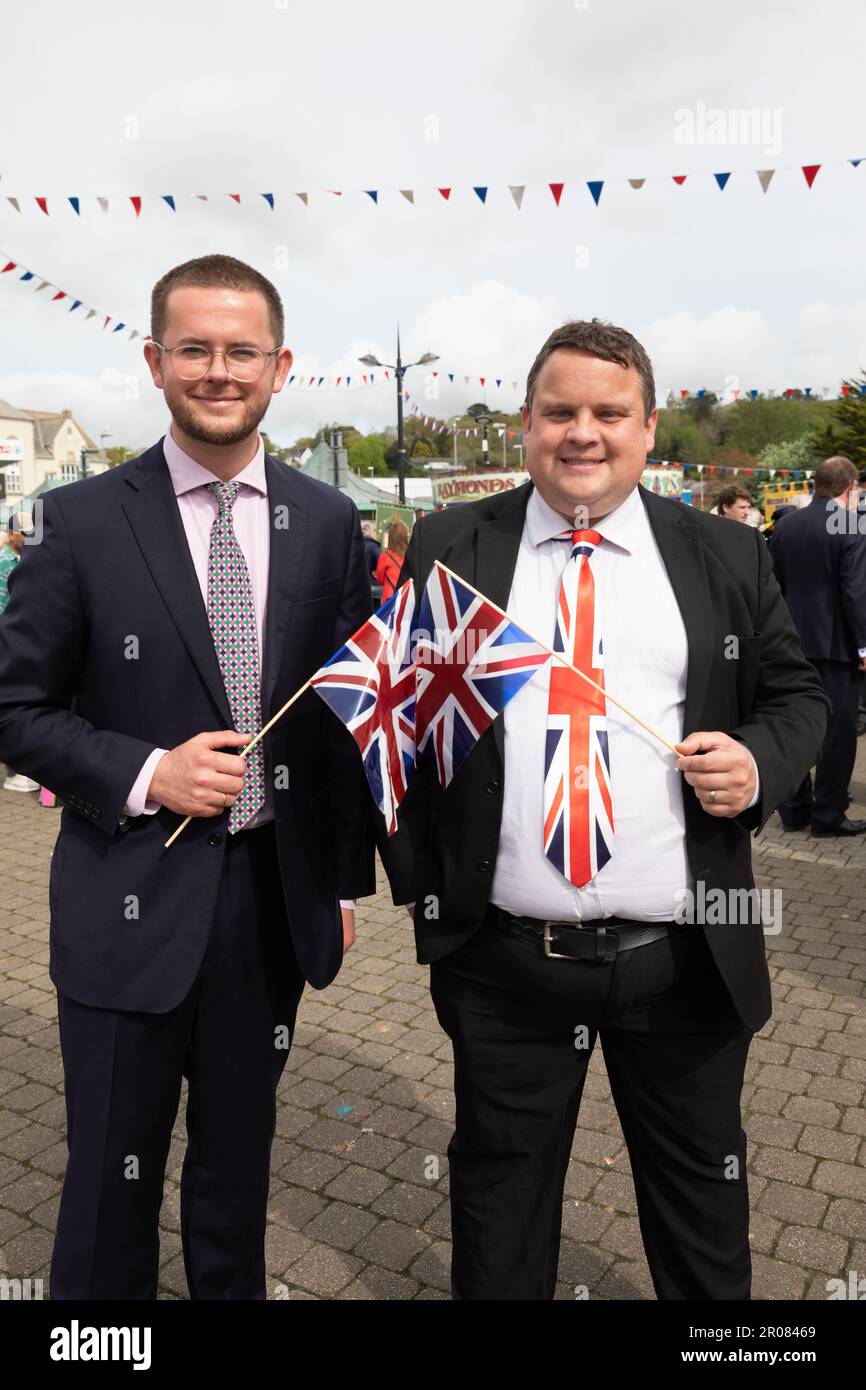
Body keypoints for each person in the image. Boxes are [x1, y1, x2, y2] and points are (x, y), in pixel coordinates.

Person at [377, 317, 827, 1300]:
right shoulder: (456, 542)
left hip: (685, 958)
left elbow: (799, 696)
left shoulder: (723, 550)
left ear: (647, 425)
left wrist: (756, 762)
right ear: (526, 424)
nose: (582, 432)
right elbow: (396, 713)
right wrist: (423, 889)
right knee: (497, 1213)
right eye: (558, 411)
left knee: (701, 1215)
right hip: (502, 962)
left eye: (607, 412)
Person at [0, 253, 376, 1300]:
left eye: (241, 350)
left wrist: (342, 881)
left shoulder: (328, 520)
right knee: (109, 1187)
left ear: (280, 365)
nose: (220, 370)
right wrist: (147, 769)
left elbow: (343, 721)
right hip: (125, 898)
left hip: (269, 906)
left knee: (234, 1171)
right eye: (196, 349)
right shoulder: (80, 522)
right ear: (156, 361)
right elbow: (15, 709)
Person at [772, 456, 866, 835]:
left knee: (794, 728)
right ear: (849, 488)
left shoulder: (786, 524)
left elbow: (773, 587)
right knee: (838, 735)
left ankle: (794, 810)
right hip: (836, 647)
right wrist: (863, 646)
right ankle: (828, 815)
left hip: (790, 644)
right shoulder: (849, 524)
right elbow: (855, 591)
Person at [0, 521, 39, 793]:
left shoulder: (22, 556)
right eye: (23, 534)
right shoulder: (4, 562)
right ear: (12, 533)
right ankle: (14, 771)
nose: (27, 538)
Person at [375, 519, 409, 601]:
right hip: (406, 598)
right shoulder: (410, 555)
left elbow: (380, 580)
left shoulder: (385, 556)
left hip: (390, 599)